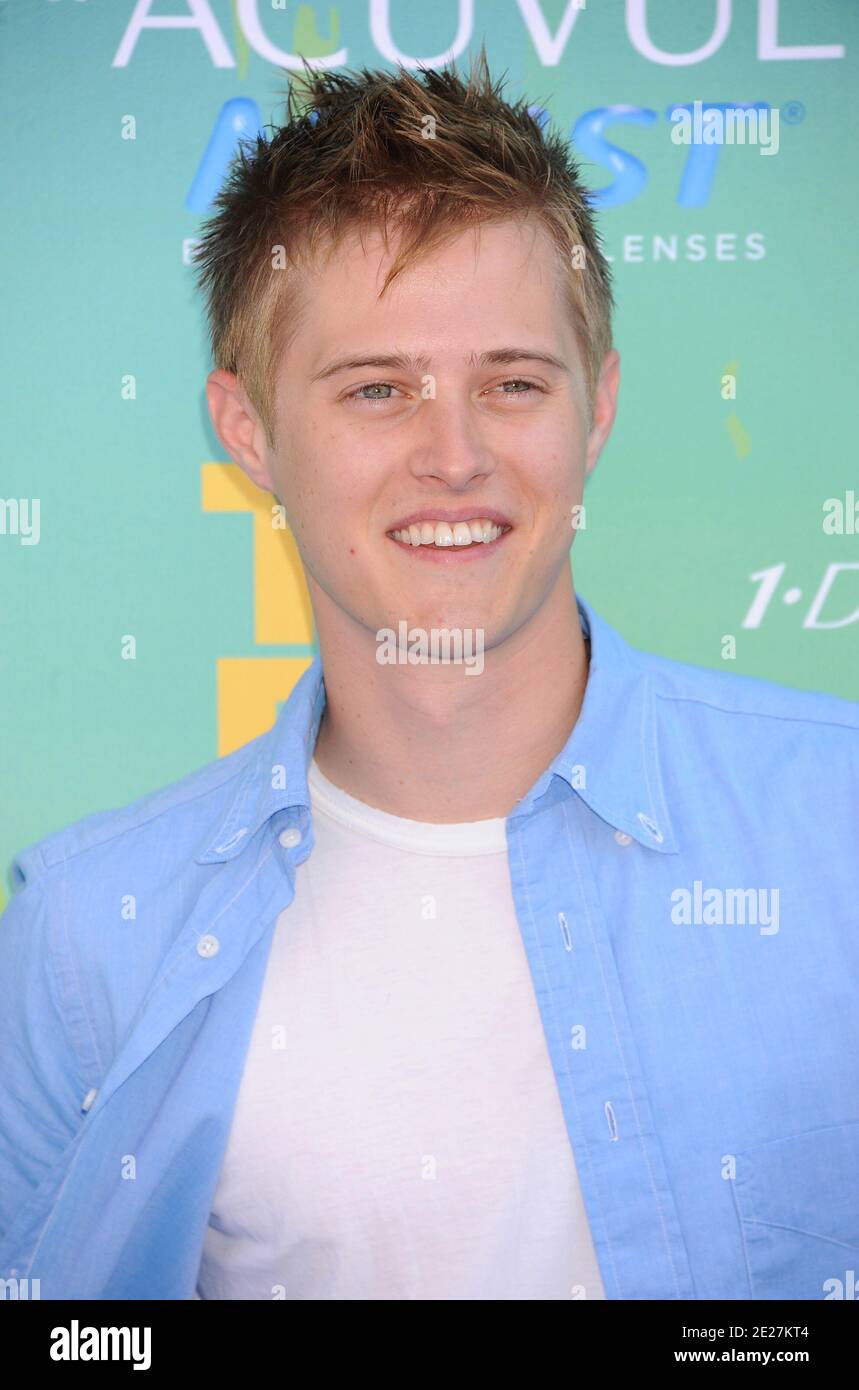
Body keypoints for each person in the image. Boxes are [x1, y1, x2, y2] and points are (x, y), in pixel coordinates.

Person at [1, 51, 857, 1303]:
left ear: (598, 407)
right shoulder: (85, 936)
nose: (453, 455)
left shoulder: (838, 827)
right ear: (249, 432)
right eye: (377, 389)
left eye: (511, 383)